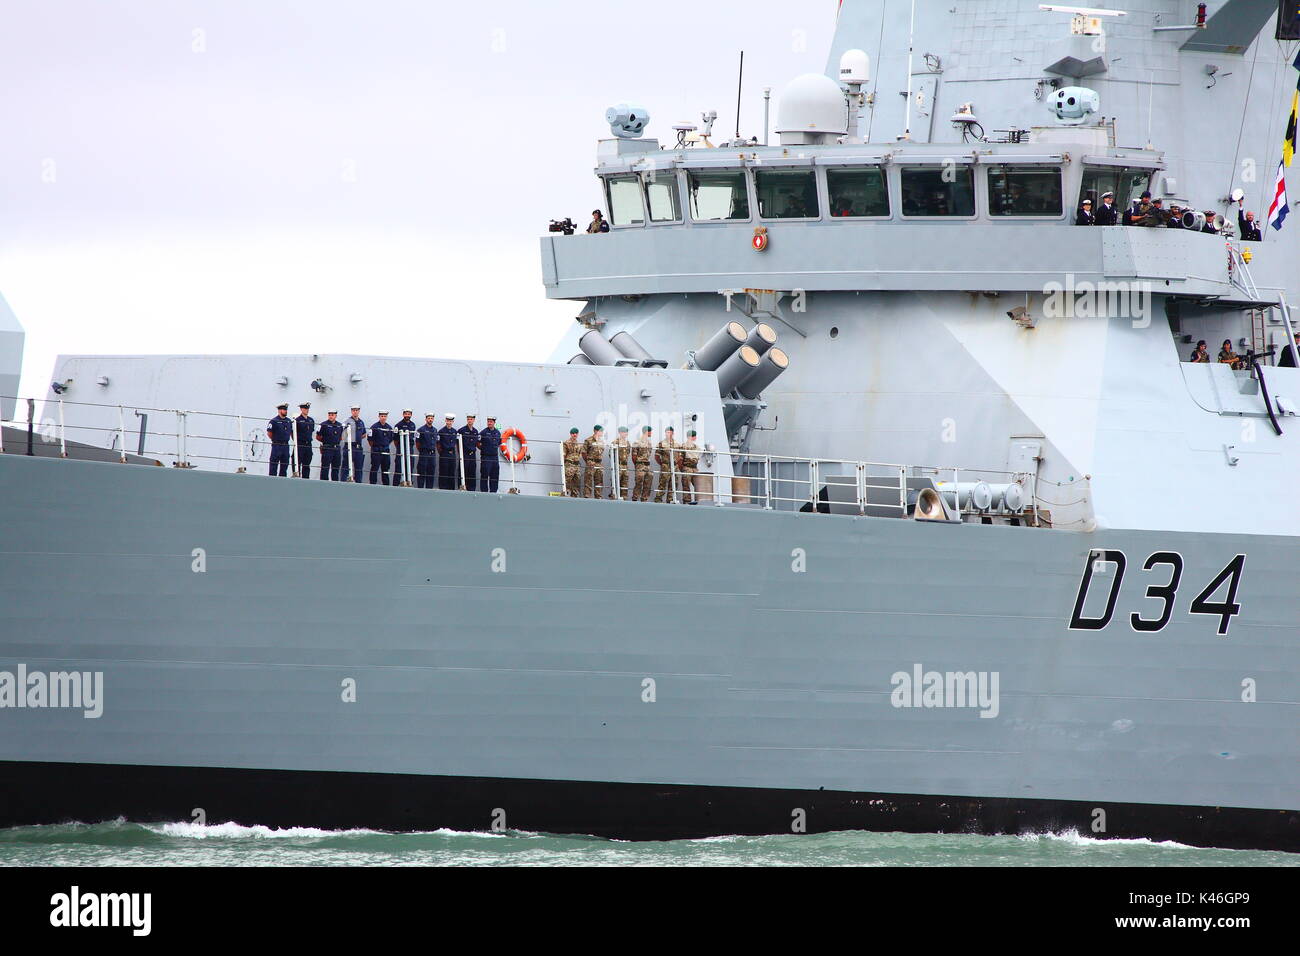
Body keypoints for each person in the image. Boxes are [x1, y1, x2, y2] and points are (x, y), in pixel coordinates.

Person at [316, 410, 345, 481]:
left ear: (336, 416)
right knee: (325, 468)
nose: (331, 416)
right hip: (327, 448)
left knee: (336, 468)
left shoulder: (339, 425)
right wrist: (327, 442)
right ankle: (324, 484)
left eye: (332, 415)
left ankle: (335, 484)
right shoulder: (323, 425)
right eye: (329, 415)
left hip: (336, 449)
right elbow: (318, 437)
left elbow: (341, 437)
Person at [266, 403, 293, 477]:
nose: (285, 411)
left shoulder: (289, 421)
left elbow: (291, 432)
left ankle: (282, 481)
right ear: (279, 410)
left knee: (285, 465)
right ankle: (272, 481)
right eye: (284, 410)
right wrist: (275, 440)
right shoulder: (274, 421)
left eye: (286, 410)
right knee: (273, 465)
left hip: (286, 446)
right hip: (277, 445)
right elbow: (269, 433)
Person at [392, 409, 417, 485]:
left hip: (410, 448)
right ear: (403, 415)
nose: (407, 415)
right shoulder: (398, 425)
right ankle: (395, 485)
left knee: (410, 466)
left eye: (409, 414)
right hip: (401, 448)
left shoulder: (413, 424)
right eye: (406, 414)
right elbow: (395, 440)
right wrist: (400, 448)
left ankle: (408, 482)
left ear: (411, 415)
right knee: (399, 467)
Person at [368, 411, 394, 484]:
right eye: (382, 416)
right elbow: (370, 439)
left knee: (385, 469)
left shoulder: (389, 427)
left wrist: (384, 445)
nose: (383, 417)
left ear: (386, 417)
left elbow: (391, 439)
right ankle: (372, 484)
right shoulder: (374, 427)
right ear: (379, 417)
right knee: (374, 468)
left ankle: (386, 485)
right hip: (376, 450)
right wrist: (375, 447)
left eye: (385, 416)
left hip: (385, 450)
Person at [341, 406, 366, 482]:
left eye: (356, 410)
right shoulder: (347, 421)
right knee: (345, 467)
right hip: (349, 447)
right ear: (351, 411)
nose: (355, 412)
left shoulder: (361, 422)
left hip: (358, 448)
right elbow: (342, 435)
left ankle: (358, 484)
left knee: (359, 468)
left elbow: (364, 434)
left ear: (359, 411)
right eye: (353, 410)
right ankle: (343, 483)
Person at [677, 429, 702, 504]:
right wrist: (683, 469)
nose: (695, 438)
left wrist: (682, 469)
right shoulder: (687, 446)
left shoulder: (691, 446)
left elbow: (680, 459)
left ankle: (689, 501)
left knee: (690, 486)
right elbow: (680, 460)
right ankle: (690, 501)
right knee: (689, 486)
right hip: (690, 468)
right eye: (694, 436)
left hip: (691, 468)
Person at [581, 424, 606, 498]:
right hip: (591, 463)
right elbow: (583, 453)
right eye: (600, 431)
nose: (601, 432)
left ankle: (598, 497)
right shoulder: (588, 440)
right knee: (588, 481)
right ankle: (587, 496)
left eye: (602, 431)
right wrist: (588, 461)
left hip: (599, 464)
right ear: (595, 431)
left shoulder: (601, 441)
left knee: (599, 481)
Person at [654, 426, 677, 503]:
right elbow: (656, 456)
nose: (668, 434)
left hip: (674, 467)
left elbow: (680, 456)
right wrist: (663, 464)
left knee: (673, 484)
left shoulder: (677, 444)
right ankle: (658, 499)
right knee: (662, 483)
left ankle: (670, 500)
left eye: (670, 432)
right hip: (665, 466)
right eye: (667, 432)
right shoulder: (661, 444)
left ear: (672, 433)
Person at [479, 416, 502, 493]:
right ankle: (484, 493)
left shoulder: (497, 433)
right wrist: (484, 449)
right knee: (484, 475)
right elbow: (478, 443)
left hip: (494, 458)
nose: (489, 423)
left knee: (495, 476)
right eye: (488, 421)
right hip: (486, 457)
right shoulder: (483, 432)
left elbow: (499, 443)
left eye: (491, 421)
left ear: (494, 423)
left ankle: (493, 492)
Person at [416, 414, 439, 489]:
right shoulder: (421, 430)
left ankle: (429, 490)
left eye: (431, 418)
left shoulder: (435, 430)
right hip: (424, 453)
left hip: (432, 454)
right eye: (428, 418)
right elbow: (417, 443)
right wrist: (422, 451)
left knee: (431, 473)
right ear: (426, 419)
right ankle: (420, 489)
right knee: (422, 472)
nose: (430, 420)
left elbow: (436, 442)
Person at [458, 414, 480, 491]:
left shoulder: (475, 431)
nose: (470, 421)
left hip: (472, 456)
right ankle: (462, 488)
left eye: (471, 419)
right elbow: (458, 444)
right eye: (468, 419)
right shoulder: (462, 430)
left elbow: (477, 443)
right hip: (465, 455)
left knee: (472, 473)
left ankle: (471, 490)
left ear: (474, 420)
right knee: (463, 472)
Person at [437, 414, 459, 490]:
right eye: (448, 421)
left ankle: (451, 489)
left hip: (452, 454)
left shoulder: (454, 431)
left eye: (450, 421)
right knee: (444, 472)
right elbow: (438, 445)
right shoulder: (441, 431)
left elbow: (456, 443)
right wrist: (443, 453)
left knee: (452, 472)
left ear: (453, 421)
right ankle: (443, 488)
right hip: (444, 454)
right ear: (445, 421)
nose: (449, 422)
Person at [632, 426, 653, 501]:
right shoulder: (637, 442)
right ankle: (635, 499)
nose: (651, 433)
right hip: (640, 465)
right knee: (639, 483)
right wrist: (637, 465)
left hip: (647, 466)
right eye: (650, 431)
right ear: (647, 432)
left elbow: (649, 454)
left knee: (648, 484)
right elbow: (634, 456)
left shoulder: (649, 443)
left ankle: (644, 499)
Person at [294, 402, 315, 479]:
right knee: (297, 463)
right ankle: (297, 478)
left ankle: (306, 479)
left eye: (307, 408)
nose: (307, 410)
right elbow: (293, 433)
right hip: (300, 444)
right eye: (305, 408)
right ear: (301, 409)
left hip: (308, 444)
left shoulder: (311, 420)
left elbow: (311, 431)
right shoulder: (297, 420)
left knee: (307, 464)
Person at [610, 425, 631, 499]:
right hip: (618, 465)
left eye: (626, 432)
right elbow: (611, 455)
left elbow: (628, 453)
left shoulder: (627, 443)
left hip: (625, 466)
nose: (625, 434)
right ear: (620, 433)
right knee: (616, 482)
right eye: (624, 432)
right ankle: (614, 498)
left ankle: (624, 498)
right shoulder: (615, 442)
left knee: (625, 484)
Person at [562, 427, 583, 497]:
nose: (575, 435)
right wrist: (565, 465)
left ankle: (575, 497)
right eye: (573, 433)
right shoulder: (566, 443)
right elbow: (563, 454)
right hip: (569, 465)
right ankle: (565, 495)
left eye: (576, 433)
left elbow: (580, 454)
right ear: (571, 434)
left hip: (577, 466)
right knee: (567, 482)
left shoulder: (579, 444)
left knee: (576, 483)